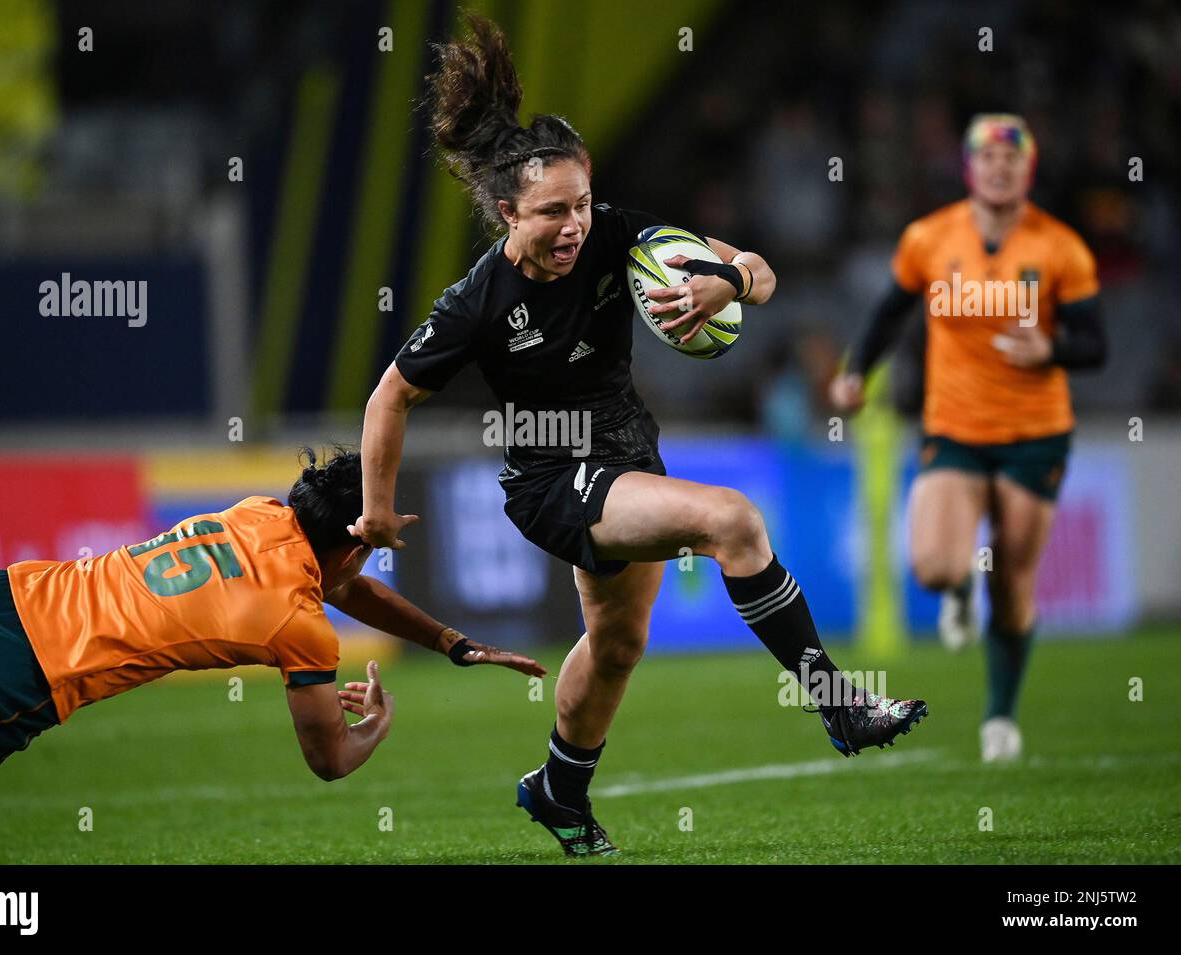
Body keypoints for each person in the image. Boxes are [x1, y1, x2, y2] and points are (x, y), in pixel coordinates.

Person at [350, 15, 927, 857]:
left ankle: (557, 790)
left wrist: (721, 282)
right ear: (508, 211)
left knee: (617, 645)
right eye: (553, 211)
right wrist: (373, 511)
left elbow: (758, 272)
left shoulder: (619, 236)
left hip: (626, 451)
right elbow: (388, 397)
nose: (575, 223)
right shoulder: (476, 302)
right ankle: (837, 702)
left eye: (581, 201)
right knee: (731, 519)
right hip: (551, 480)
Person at [0, 447, 543, 814]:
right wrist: (376, 723)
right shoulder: (301, 627)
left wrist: (448, 642)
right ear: (350, 547)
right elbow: (331, 759)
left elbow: (345, 583)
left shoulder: (259, 512)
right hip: (22, 673)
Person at [829, 114, 1107, 762]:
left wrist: (1053, 346)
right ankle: (958, 587)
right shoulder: (930, 238)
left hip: (1036, 433)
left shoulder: (1060, 246)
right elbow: (890, 311)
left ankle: (1001, 715)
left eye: (1011, 159)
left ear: (1027, 170)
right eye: (986, 157)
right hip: (955, 427)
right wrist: (855, 373)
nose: (998, 167)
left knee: (1012, 580)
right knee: (933, 564)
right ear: (969, 167)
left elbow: (1096, 344)